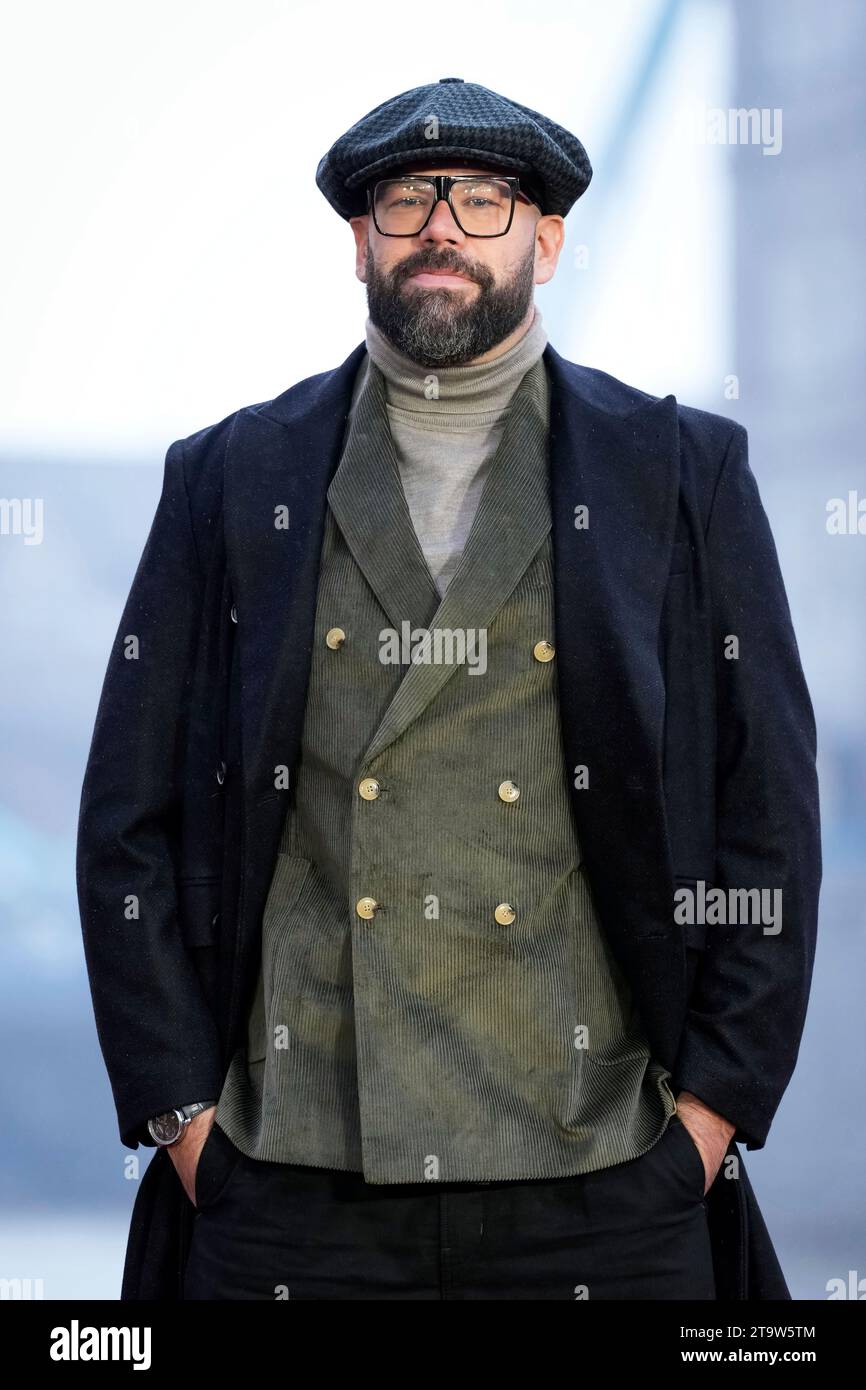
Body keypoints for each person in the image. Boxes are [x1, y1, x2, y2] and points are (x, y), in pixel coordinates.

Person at [76, 77, 821, 1301]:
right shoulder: (230, 476)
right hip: (291, 1178)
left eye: (481, 199)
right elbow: (126, 825)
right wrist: (184, 1121)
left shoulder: (679, 472)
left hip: (601, 1174)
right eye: (405, 198)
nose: (439, 227)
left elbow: (766, 820)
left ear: (546, 237)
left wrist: (711, 1115)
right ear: (359, 240)